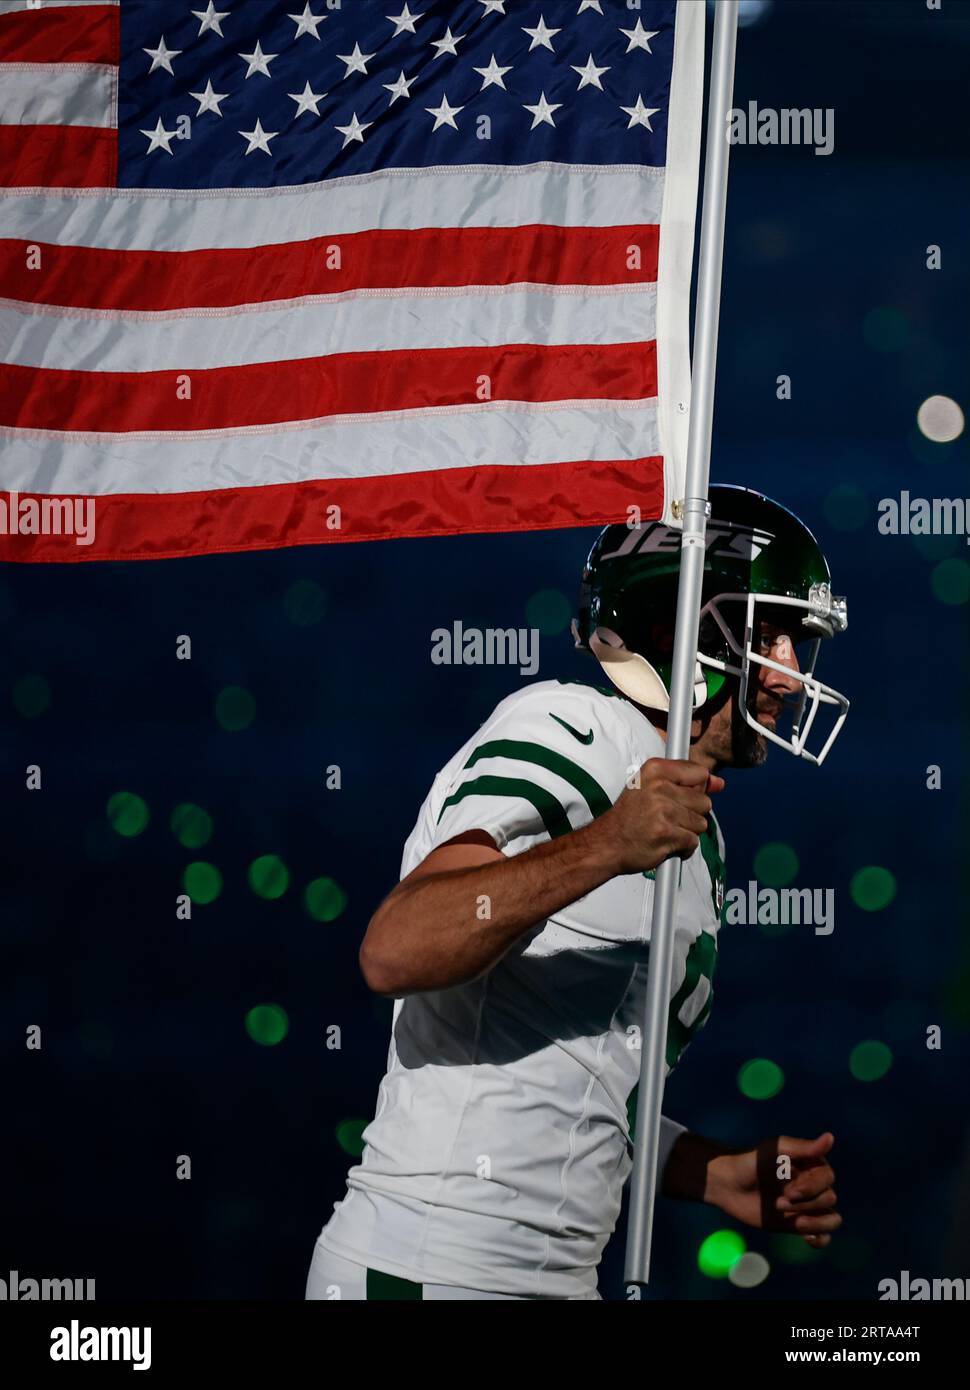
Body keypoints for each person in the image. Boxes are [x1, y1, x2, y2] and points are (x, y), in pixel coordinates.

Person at [306, 484, 850, 1301]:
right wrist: (603, 845)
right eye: (771, 636)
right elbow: (396, 946)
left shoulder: (696, 832)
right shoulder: (575, 730)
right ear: (685, 632)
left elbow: (580, 1086)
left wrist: (713, 1173)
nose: (791, 675)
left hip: (556, 1280)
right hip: (433, 1267)